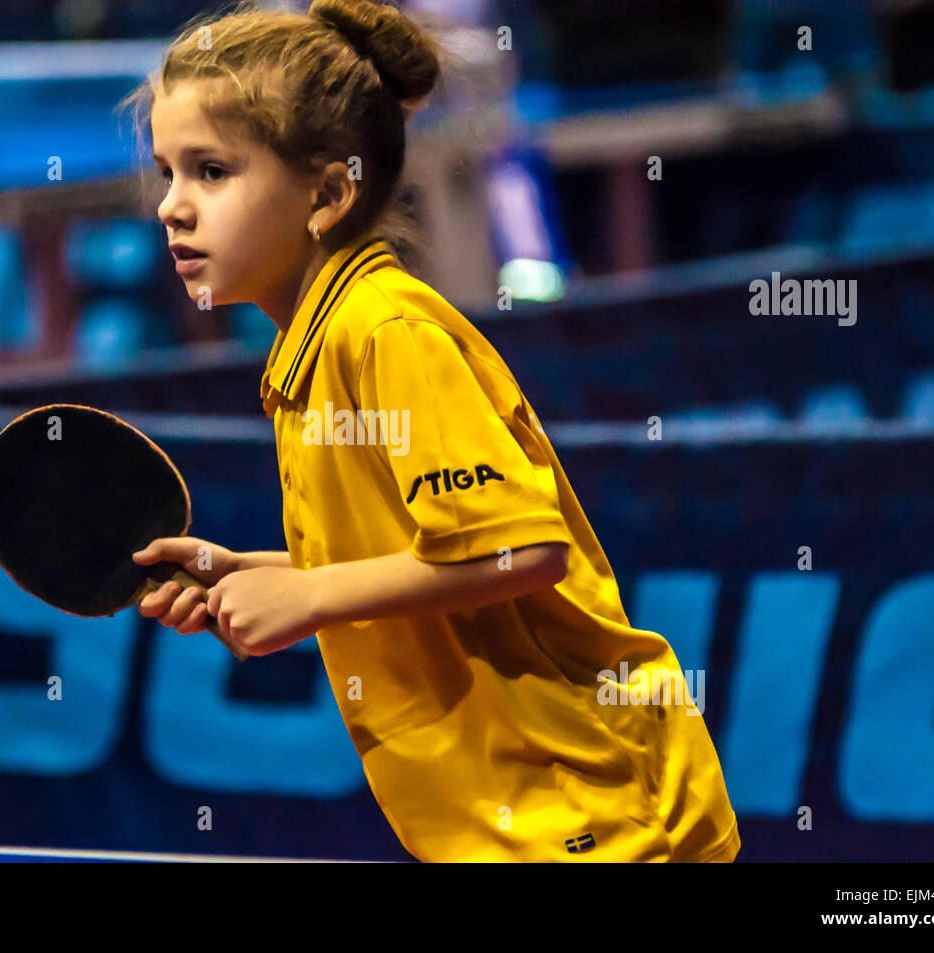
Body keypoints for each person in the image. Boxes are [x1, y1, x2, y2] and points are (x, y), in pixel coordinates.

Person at [127, 0, 740, 862]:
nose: (173, 207)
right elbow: (423, 554)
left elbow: (525, 551)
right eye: (168, 172)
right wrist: (253, 573)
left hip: (597, 813)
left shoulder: (385, 332)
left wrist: (309, 598)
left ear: (329, 191)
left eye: (212, 172)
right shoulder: (311, 349)